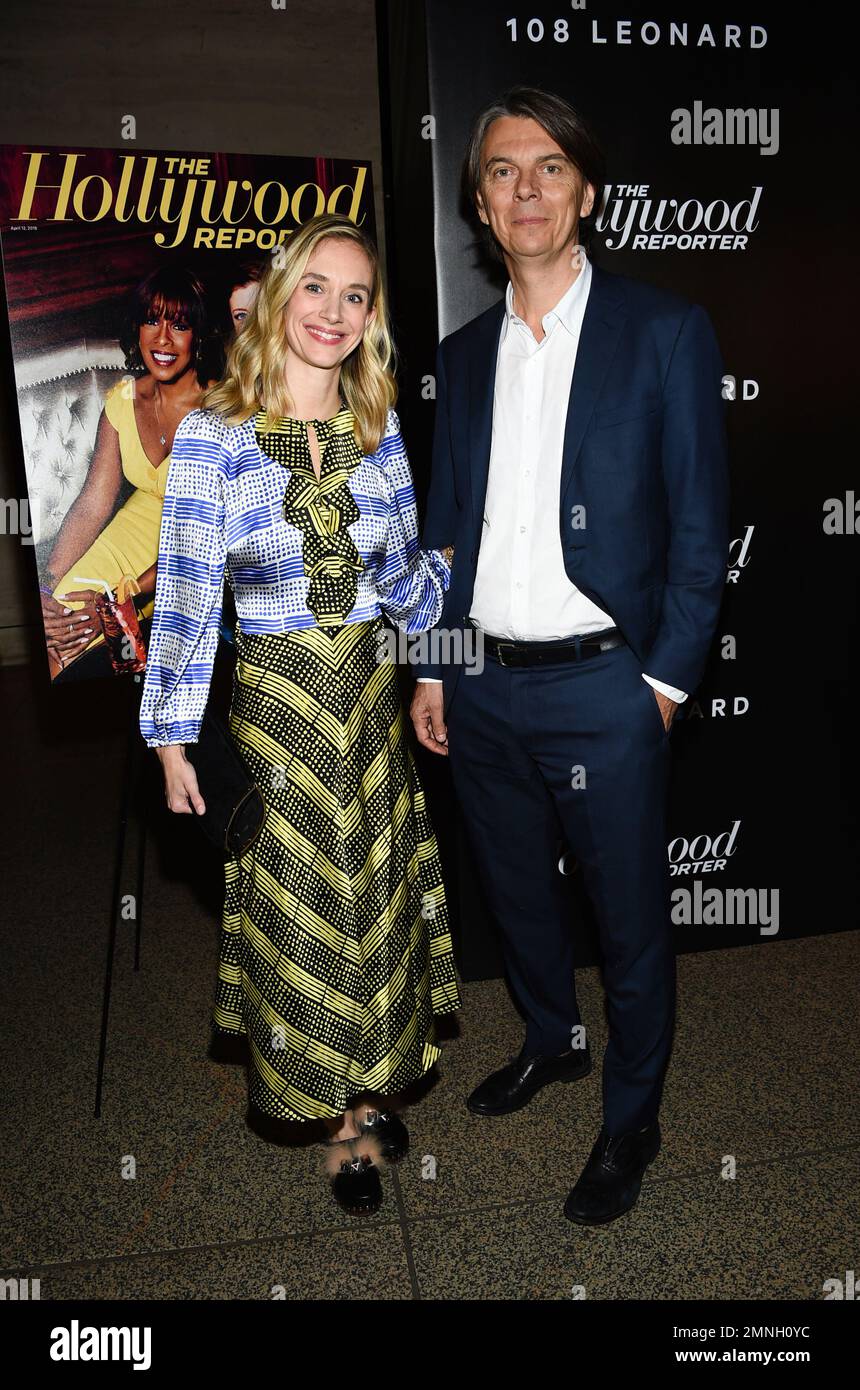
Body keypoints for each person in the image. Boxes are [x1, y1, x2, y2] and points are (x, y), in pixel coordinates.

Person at [410, 86, 729, 1225]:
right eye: (502, 171)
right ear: (480, 206)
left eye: (549, 167)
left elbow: (699, 530)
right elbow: (443, 524)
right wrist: (434, 663)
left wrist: (659, 683)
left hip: (606, 680)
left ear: (584, 191)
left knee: (628, 914)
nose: (526, 189)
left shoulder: (662, 331)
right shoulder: (459, 356)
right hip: (484, 684)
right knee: (513, 895)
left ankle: (630, 1115)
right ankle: (553, 1040)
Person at [139, 213, 461, 1216]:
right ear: (283, 300)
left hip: (368, 708)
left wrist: (438, 664)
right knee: (302, 912)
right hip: (276, 718)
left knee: (374, 904)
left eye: (354, 295)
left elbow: (407, 578)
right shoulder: (214, 438)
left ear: (370, 318)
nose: (333, 312)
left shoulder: (379, 430)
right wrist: (168, 738)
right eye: (315, 287)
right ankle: (338, 1124)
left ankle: (370, 1079)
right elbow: (188, 599)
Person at [40, 266, 222, 678]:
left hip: (181, 569)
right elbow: (93, 503)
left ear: (199, 335)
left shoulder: (224, 412)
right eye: (151, 320)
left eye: (179, 324)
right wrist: (47, 586)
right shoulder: (122, 400)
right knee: (57, 640)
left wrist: (123, 593)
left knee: (109, 663)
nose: (162, 339)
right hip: (123, 548)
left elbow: (215, 538)